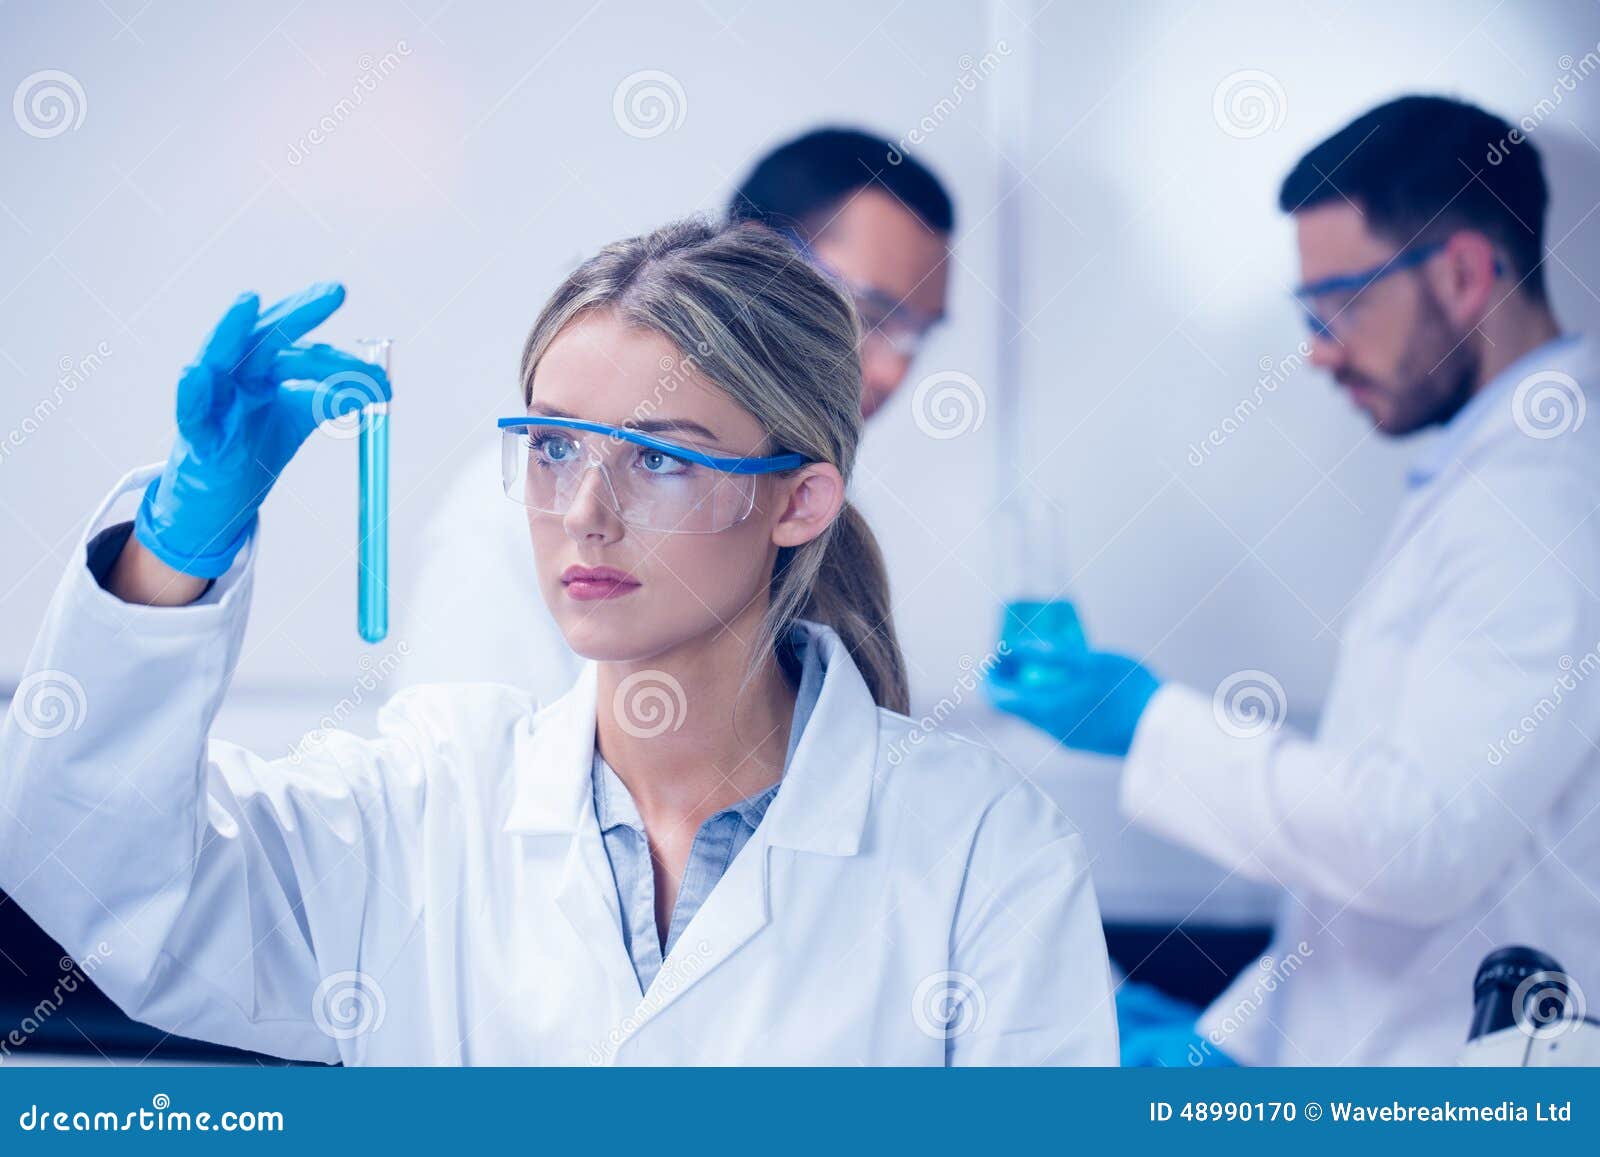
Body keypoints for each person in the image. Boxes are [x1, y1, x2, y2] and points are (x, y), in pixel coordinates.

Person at [0, 220, 1116, 1065]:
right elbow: (91, 868)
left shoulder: (983, 850)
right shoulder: (428, 803)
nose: (585, 510)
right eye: (552, 446)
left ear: (799, 502)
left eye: (662, 457)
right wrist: (175, 540)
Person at [989, 94, 1600, 1065]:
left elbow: (1416, 843)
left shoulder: (1548, 503)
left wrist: (1144, 718)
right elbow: (1371, 879)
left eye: (1344, 304)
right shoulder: (1486, 476)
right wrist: (1236, 1037)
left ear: (1465, 272)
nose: (1318, 349)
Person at [395, 126, 952, 698]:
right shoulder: (513, 512)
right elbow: (466, 768)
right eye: (869, 312)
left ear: (805, 501)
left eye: (915, 334)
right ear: (759, 261)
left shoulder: (807, 508)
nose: (891, 372)